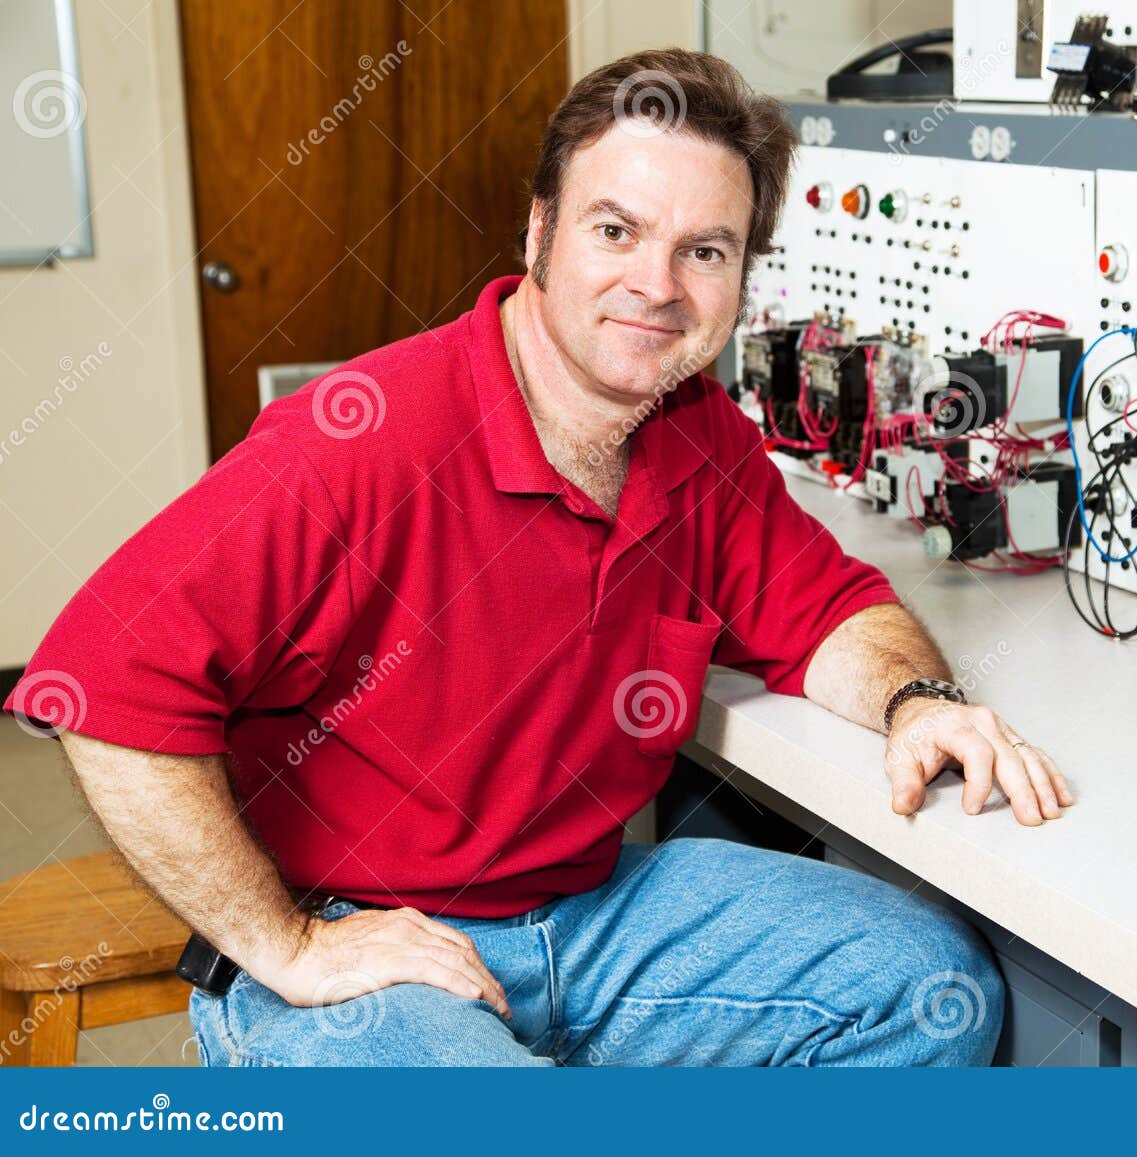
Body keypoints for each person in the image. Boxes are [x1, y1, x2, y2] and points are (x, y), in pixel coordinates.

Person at [5, 48, 1071, 1067]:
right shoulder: (362, 439)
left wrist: (919, 700)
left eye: (705, 250)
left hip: (592, 909)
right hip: (366, 934)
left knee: (926, 985)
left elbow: (829, 609)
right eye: (616, 230)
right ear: (539, 232)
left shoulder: (695, 434)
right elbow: (97, 683)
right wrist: (287, 944)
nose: (656, 285)